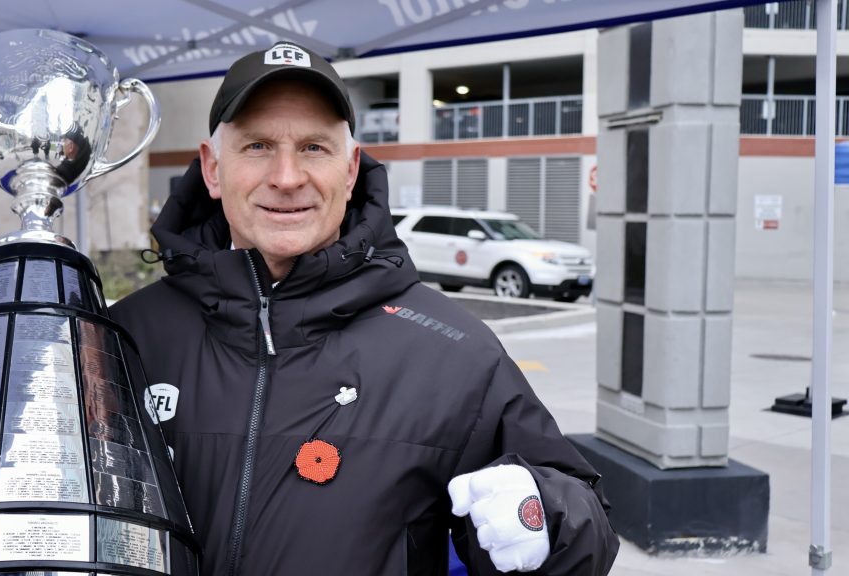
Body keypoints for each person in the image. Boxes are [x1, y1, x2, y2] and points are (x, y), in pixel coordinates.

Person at [110, 40, 618, 575]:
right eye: (257, 146)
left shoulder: (450, 350)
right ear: (213, 168)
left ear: (351, 170)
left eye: (314, 147)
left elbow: (587, 534)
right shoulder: (126, 339)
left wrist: (545, 514)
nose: (287, 177)